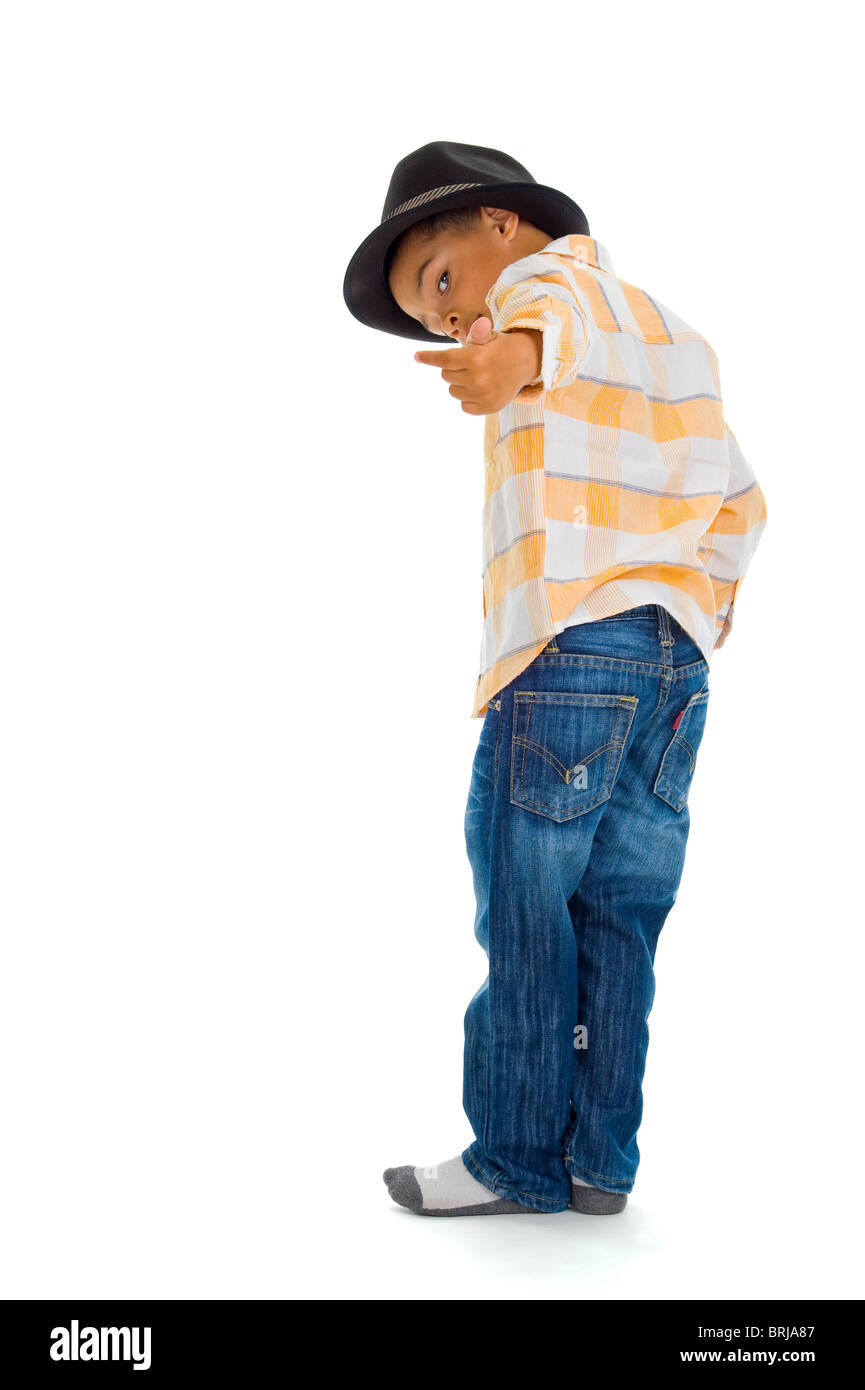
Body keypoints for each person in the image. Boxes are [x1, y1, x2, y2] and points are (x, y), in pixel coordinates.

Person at [343, 142, 767, 1217]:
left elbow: (555, 317)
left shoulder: (553, 292)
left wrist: (513, 360)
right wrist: (694, 610)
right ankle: (599, 1163)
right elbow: (743, 496)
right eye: (436, 322)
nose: (452, 325)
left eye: (442, 284)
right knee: (618, 917)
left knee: (528, 911)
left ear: (499, 221)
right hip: (670, 670)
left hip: (568, 654)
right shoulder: (675, 336)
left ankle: (515, 1158)